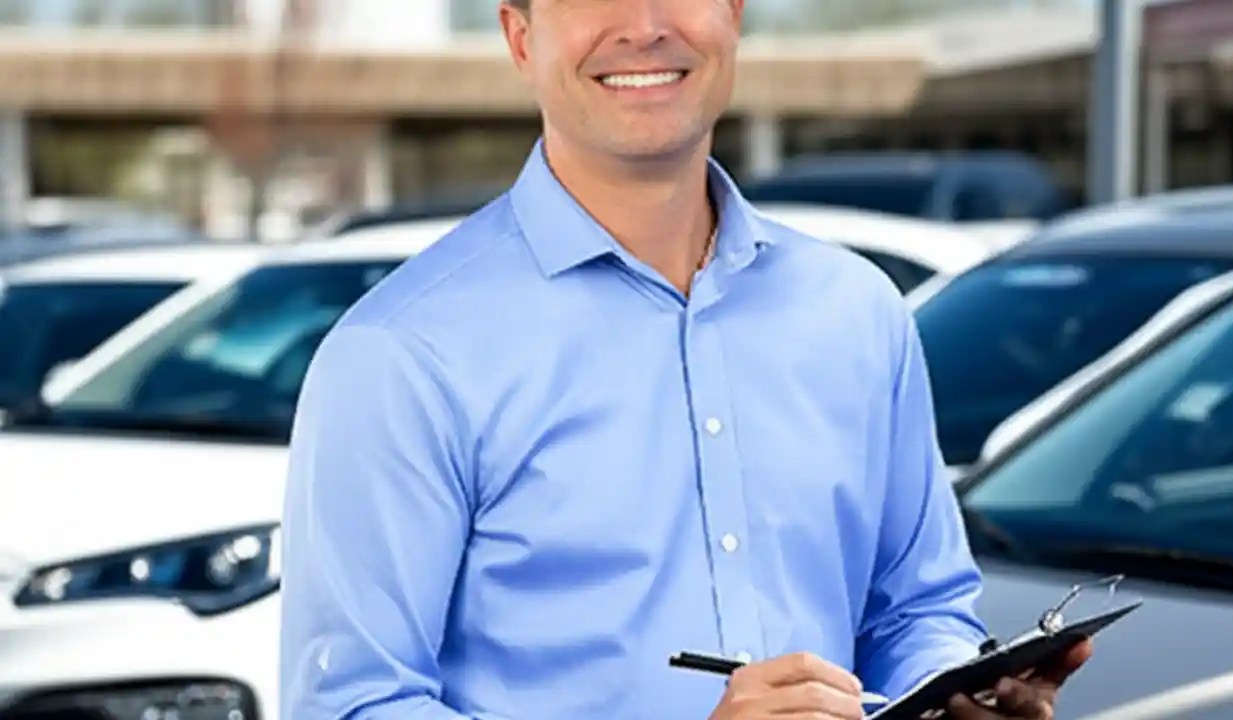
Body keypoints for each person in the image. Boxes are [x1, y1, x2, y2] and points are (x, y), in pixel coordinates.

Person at [278, 0, 1092, 718]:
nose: (643, 24)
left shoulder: (855, 311)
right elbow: (353, 705)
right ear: (520, 36)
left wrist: (955, 691)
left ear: (734, 12)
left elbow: (918, 608)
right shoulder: (401, 352)